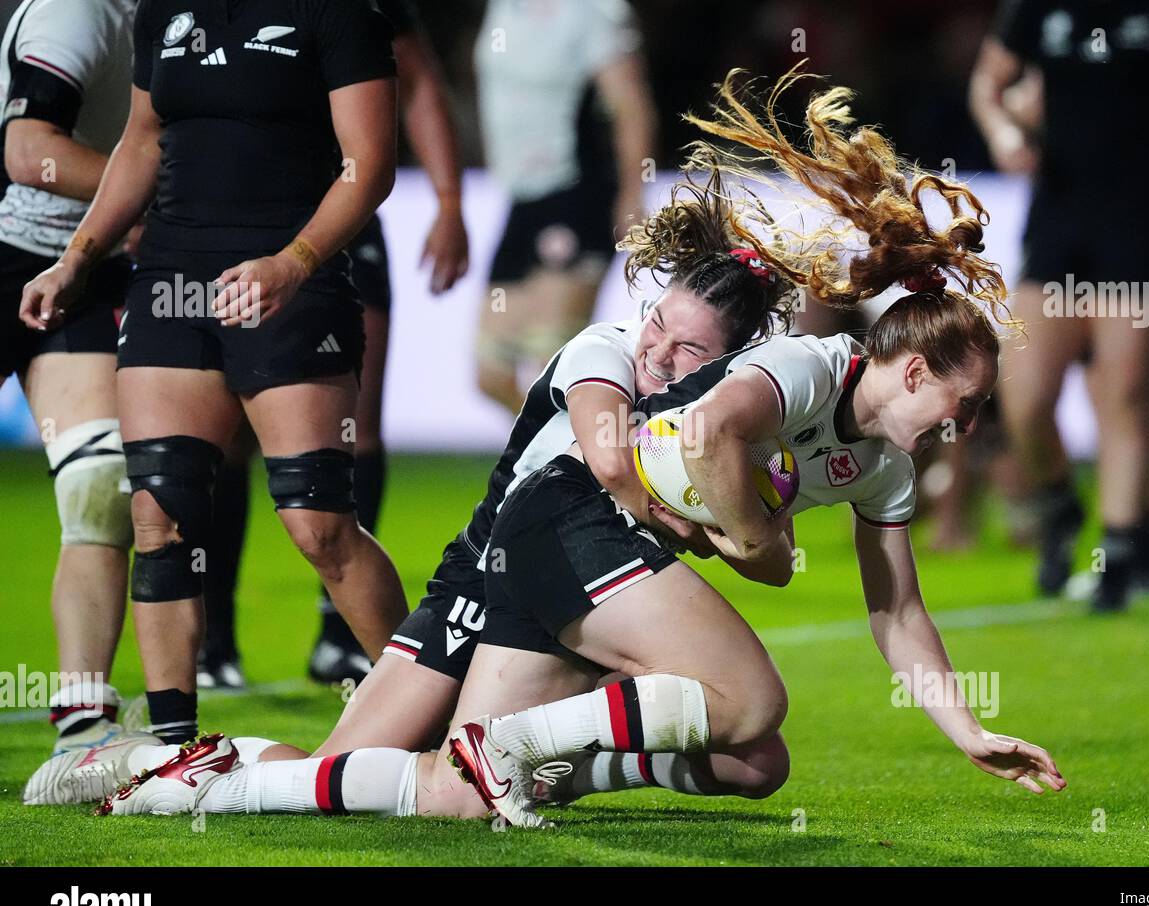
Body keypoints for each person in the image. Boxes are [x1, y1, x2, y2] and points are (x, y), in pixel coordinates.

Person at [92, 70, 1065, 826]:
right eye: (963, 402)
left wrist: (965, 726)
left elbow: (896, 609)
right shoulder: (738, 362)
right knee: (747, 696)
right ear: (908, 370)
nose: (665, 358)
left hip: (581, 559)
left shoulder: (879, 462)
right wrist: (753, 539)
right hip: (532, 536)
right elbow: (646, 453)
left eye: (691, 352)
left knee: (707, 763)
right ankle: (510, 750)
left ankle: (197, 779)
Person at [27, 159, 798, 808]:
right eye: (658, 321)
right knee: (335, 775)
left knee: (753, 762)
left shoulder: (727, 419)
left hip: (596, 603)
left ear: (731, 361)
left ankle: (533, 762)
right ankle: (148, 766)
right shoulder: (605, 348)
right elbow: (609, 461)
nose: (657, 350)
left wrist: (750, 519)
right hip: (491, 585)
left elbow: (770, 563)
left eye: (687, 348)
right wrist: (712, 524)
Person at [19, 0, 407, 747]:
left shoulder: (339, 14)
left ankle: (429, 713)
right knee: (158, 516)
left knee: (319, 524)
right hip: (171, 284)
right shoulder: (162, 10)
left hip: (292, 283)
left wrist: (291, 265)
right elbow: (141, 142)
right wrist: (77, 259)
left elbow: (370, 167)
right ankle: (176, 749)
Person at [196, 0, 471, 689]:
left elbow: (420, 81)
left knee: (357, 427)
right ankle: (214, 641)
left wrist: (448, 202)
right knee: (222, 438)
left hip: (340, 216)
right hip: (232, 217)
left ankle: (340, 638)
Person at [969, 0, 1149, 610]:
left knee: (1125, 385)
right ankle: (1060, 508)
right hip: (1061, 216)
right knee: (1024, 394)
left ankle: (1124, 548)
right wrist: (1003, 131)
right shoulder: (1035, 10)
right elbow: (988, 81)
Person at [0, 0, 135, 756]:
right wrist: (149, 199)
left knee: (99, 481)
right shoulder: (78, 10)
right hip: (12, 245)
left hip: (79, 265)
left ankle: (82, 719)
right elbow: (29, 152)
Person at [472, 0, 656, 412]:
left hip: (578, 197)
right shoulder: (504, 8)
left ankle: (583, 463)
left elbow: (631, 107)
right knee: (490, 373)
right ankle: (558, 455)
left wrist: (632, 194)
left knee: (551, 365)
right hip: (522, 201)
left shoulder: (594, 11)